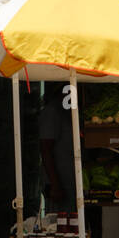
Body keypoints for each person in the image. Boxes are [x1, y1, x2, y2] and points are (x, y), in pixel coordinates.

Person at [38, 83, 76, 214]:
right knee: (59, 223)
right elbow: (45, 149)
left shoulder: (68, 111)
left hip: (70, 182)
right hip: (59, 183)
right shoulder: (52, 111)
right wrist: (55, 184)